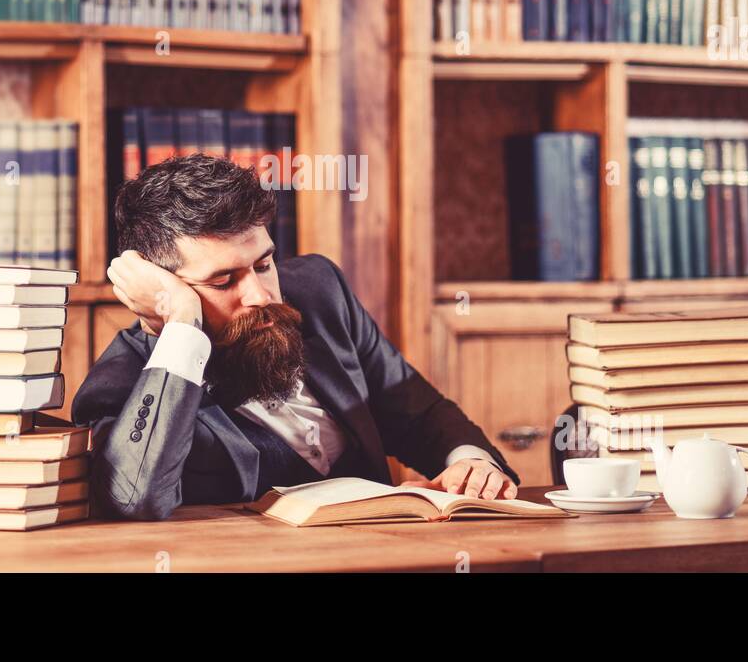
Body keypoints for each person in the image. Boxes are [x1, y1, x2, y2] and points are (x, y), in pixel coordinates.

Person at [71, 153, 520, 521]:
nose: (261, 296)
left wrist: (471, 463)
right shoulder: (122, 384)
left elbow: (416, 412)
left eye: (263, 264)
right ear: (159, 288)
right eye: (224, 281)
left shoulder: (320, 290)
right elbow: (134, 499)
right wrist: (183, 322)